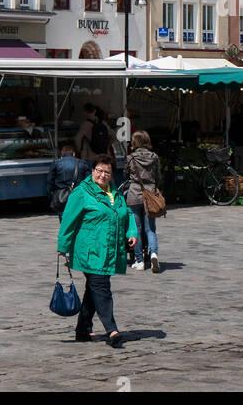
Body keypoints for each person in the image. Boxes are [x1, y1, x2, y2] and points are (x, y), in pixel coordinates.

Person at [57, 154, 138, 348]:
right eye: (99, 171)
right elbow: (68, 219)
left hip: (109, 251)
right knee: (101, 287)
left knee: (94, 289)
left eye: (107, 172)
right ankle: (112, 329)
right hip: (89, 251)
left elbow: (126, 213)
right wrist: (63, 246)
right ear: (93, 171)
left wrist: (131, 232)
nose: (102, 175)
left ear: (111, 174)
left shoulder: (115, 194)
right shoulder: (82, 193)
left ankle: (83, 330)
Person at [124, 130, 163, 273]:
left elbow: (126, 174)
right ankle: (153, 255)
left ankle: (139, 261)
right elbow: (158, 177)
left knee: (136, 230)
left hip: (134, 195)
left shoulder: (131, 158)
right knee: (150, 229)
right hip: (150, 196)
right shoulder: (154, 157)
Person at [47, 141, 89, 214]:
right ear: (74, 154)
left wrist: (51, 194)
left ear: (62, 154)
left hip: (61, 196)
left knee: (63, 218)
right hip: (78, 195)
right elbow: (88, 181)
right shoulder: (82, 163)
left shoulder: (56, 163)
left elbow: (50, 181)